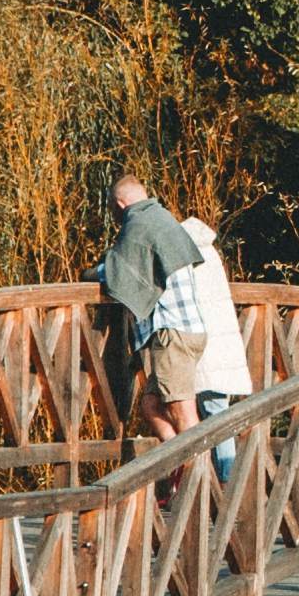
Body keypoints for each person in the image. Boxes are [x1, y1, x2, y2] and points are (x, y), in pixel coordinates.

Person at [97, 175, 207, 443]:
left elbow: (117, 272)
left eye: (114, 212)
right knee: (151, 405)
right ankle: (182, 466)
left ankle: (198, 479)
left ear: (120, 205)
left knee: (182, 413)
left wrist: (93, 272)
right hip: (191, 330)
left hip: (173, 335)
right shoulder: (162, 218)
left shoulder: (139, 222)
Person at [183, 215, 252, 480]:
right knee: (216, 410)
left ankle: (225, 478)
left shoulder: (190, 258)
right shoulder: (210, 255)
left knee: (213, 411)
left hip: (207, 347)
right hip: (223, 346)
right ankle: (224, 478)